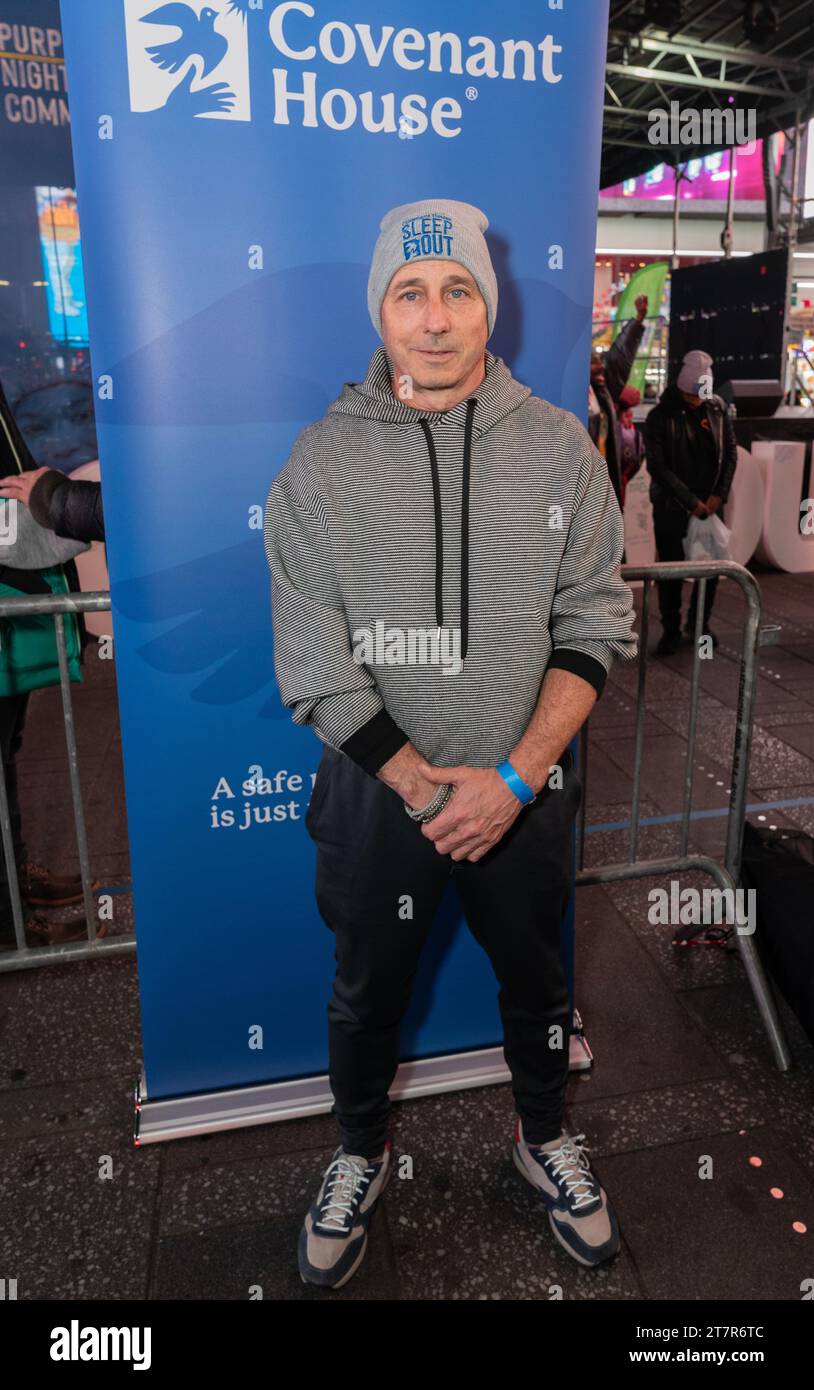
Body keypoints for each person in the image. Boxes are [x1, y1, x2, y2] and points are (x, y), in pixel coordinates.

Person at [265, 198, 637, 1290]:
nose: (434, 319)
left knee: (536, 982)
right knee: (365, 990)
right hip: (381, 798)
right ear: (379, 310)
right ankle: (359, 1149)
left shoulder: (558, 449)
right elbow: (312, 657)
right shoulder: (321, 462)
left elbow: (595, 622)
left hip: (524, 789)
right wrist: (426, 787)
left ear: (490, 302)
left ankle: (539, 1133)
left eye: (457, 290)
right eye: (409, 292)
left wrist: (515, 777)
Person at [0, 386, 103, 953]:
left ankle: (12, 878)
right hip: (8, 575)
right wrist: (54, 518)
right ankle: (6, 917)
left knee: (6, 746)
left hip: (11, 592)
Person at [644, 349, 737, 655]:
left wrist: (718, 495)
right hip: (673, 507)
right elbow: (658, 467)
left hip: (709, 505)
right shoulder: (661, 416)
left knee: (709, 572)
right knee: (670, 574)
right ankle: (671, 629)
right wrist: (690, 501)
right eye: (692, 396)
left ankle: (700, 626)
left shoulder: (718, 410)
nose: (698, 401)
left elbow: (730, 454)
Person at [588, 294, 647, 508]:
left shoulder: (604, 392)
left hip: (606, 489)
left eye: (599, 360)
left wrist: (637, 321)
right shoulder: (581, 393)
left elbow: (619, 358)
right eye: (593, 362)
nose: (600, 366)